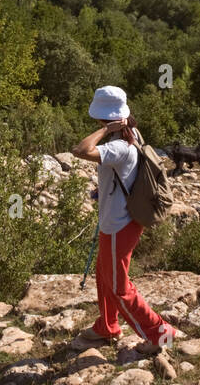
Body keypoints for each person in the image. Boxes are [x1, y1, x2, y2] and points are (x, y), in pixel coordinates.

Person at [71, 86, 181, 350]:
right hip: (124, 220)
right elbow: (126, 174)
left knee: (120, 287)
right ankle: (107, 326)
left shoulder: (118, 145)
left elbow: (81, 150)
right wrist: (104, 189)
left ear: (104, 119)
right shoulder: (133, 136)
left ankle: (160, 334)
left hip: (118, 224)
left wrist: (105, 130)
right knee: (104, 275)